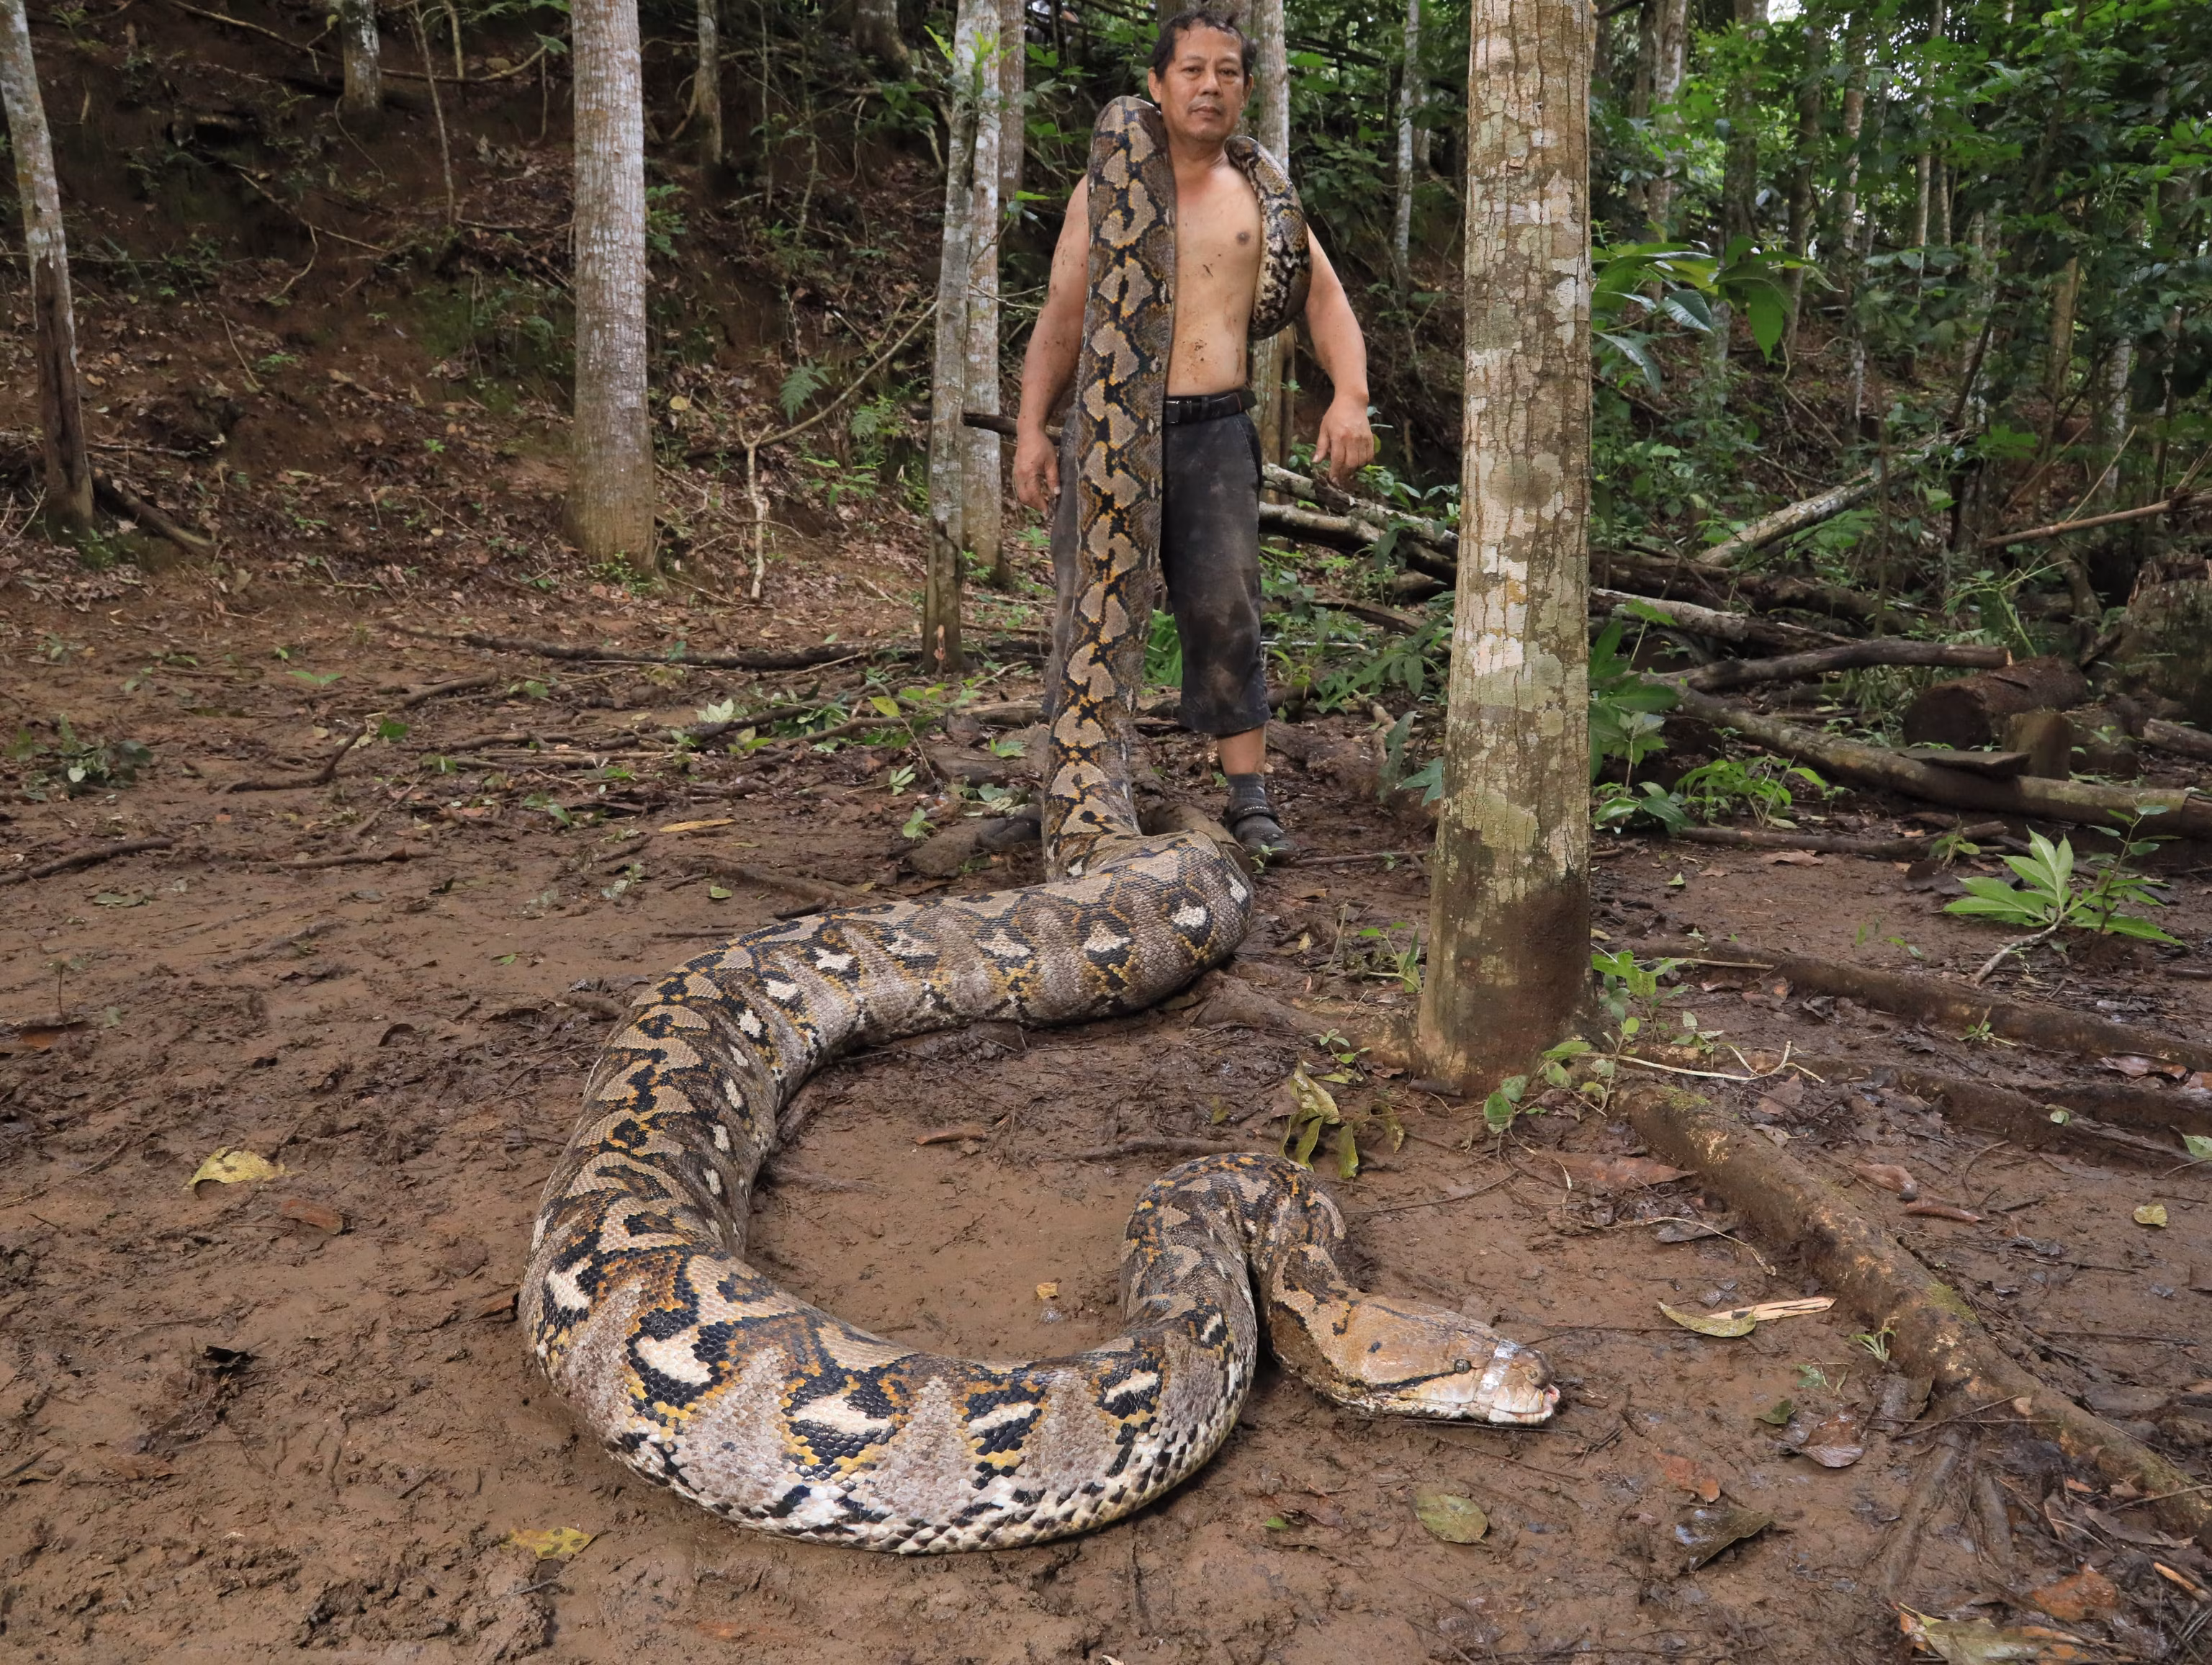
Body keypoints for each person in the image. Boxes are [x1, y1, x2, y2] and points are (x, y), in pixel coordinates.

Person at [1012, 8, 1375, 858]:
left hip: (1213, 429)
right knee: (1085, 609)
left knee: (1225, 610)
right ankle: (1073, 790)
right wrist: (1033, 426)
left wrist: (1350, 395)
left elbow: (1325, 303)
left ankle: (1248, 796)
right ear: (1156, 85)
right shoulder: (1103, 190)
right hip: (1108, 425)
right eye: (1191, 71)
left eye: (1227, 72)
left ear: (1245, 89)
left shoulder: (1261, 197)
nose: (1210, 86)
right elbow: (1064, 314)